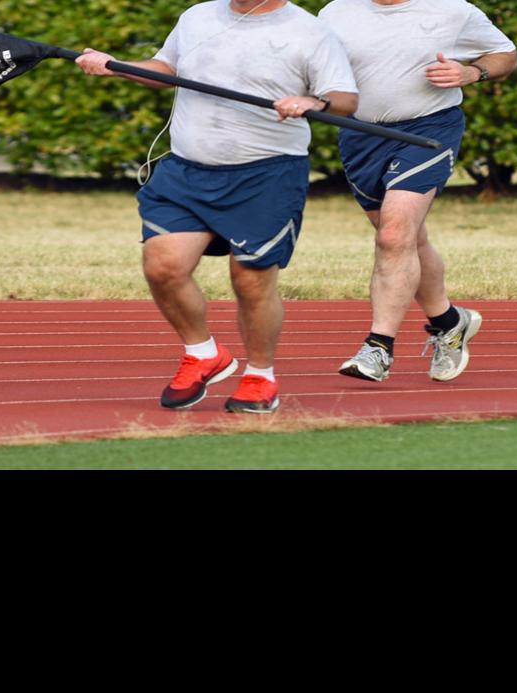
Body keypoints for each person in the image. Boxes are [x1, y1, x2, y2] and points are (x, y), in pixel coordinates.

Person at [76, 0, 357, 412]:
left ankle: (260, 375)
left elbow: (345, 98)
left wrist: (314, 103)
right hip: (186, 170)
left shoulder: (309, 31)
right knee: (163, 267)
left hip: (266, 175)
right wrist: (116, 65)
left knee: (250, 281)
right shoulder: (197, 16)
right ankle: (203, 353)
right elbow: (166, 69)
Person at [316, 0, 517, 383]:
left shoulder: (452, 10)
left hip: (428, 130)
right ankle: (449, 322)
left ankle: (378, 347)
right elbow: (310, 70)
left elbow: (505, 55)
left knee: (394, 235)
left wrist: (472, 72)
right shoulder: (335, 12)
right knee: (406, 239)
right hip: (361, 135)